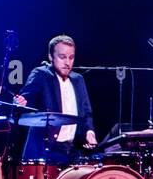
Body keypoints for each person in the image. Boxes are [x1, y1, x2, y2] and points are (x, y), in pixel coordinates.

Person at [13, 35, 97, 166]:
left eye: (71, 57)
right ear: (51, 56)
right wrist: (21, 103)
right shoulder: (41, 74)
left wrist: (89, 131)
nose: (67, 62)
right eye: (62, 57)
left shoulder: (78, 79)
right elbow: (25, 100)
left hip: (73, 151)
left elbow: (86, 113)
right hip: (47, 150)